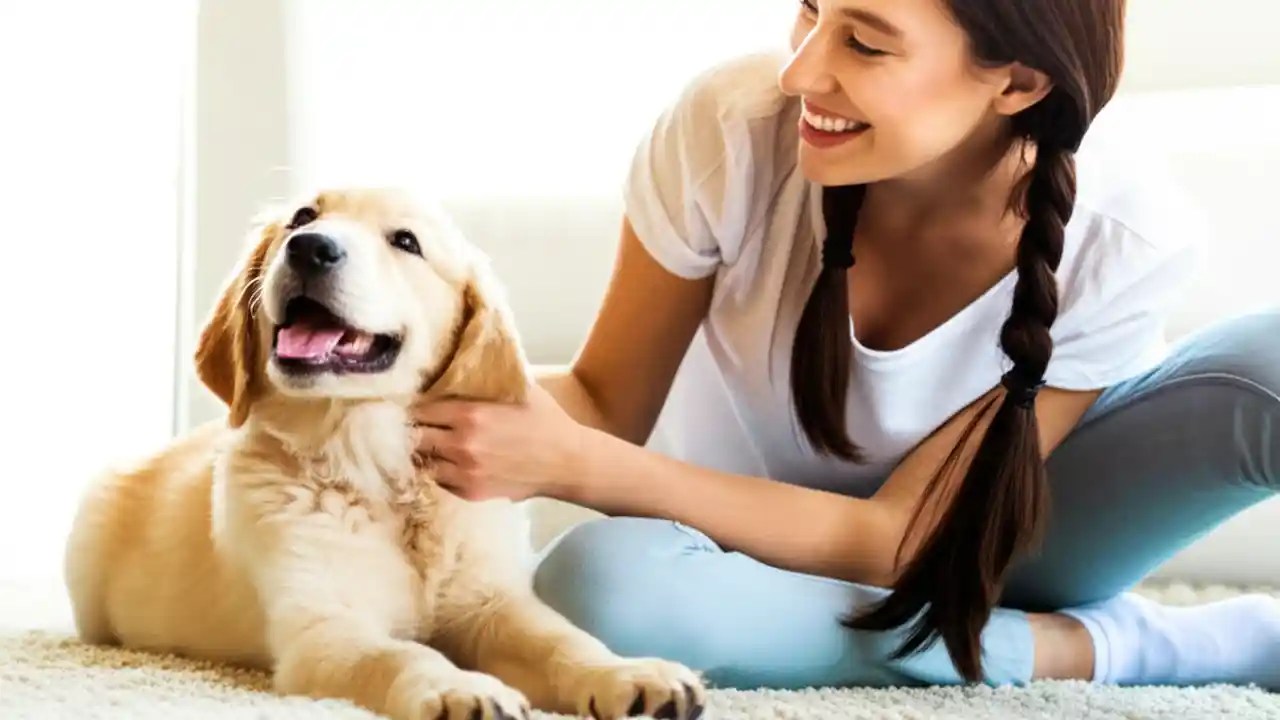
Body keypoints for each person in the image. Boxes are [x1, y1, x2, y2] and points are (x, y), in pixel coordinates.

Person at [412, 0, 1280, 691]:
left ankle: (1097, 642)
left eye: (864, 43)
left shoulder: (1127, 231)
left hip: (991, 546)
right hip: (739, 567)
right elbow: (605, 404)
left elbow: (900, 540)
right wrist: (388, 404)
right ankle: (1093, 648)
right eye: (809, 10)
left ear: (1015, 82)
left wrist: (582, 466)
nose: (802, 71)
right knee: (597, 589)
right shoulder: (730, 130)